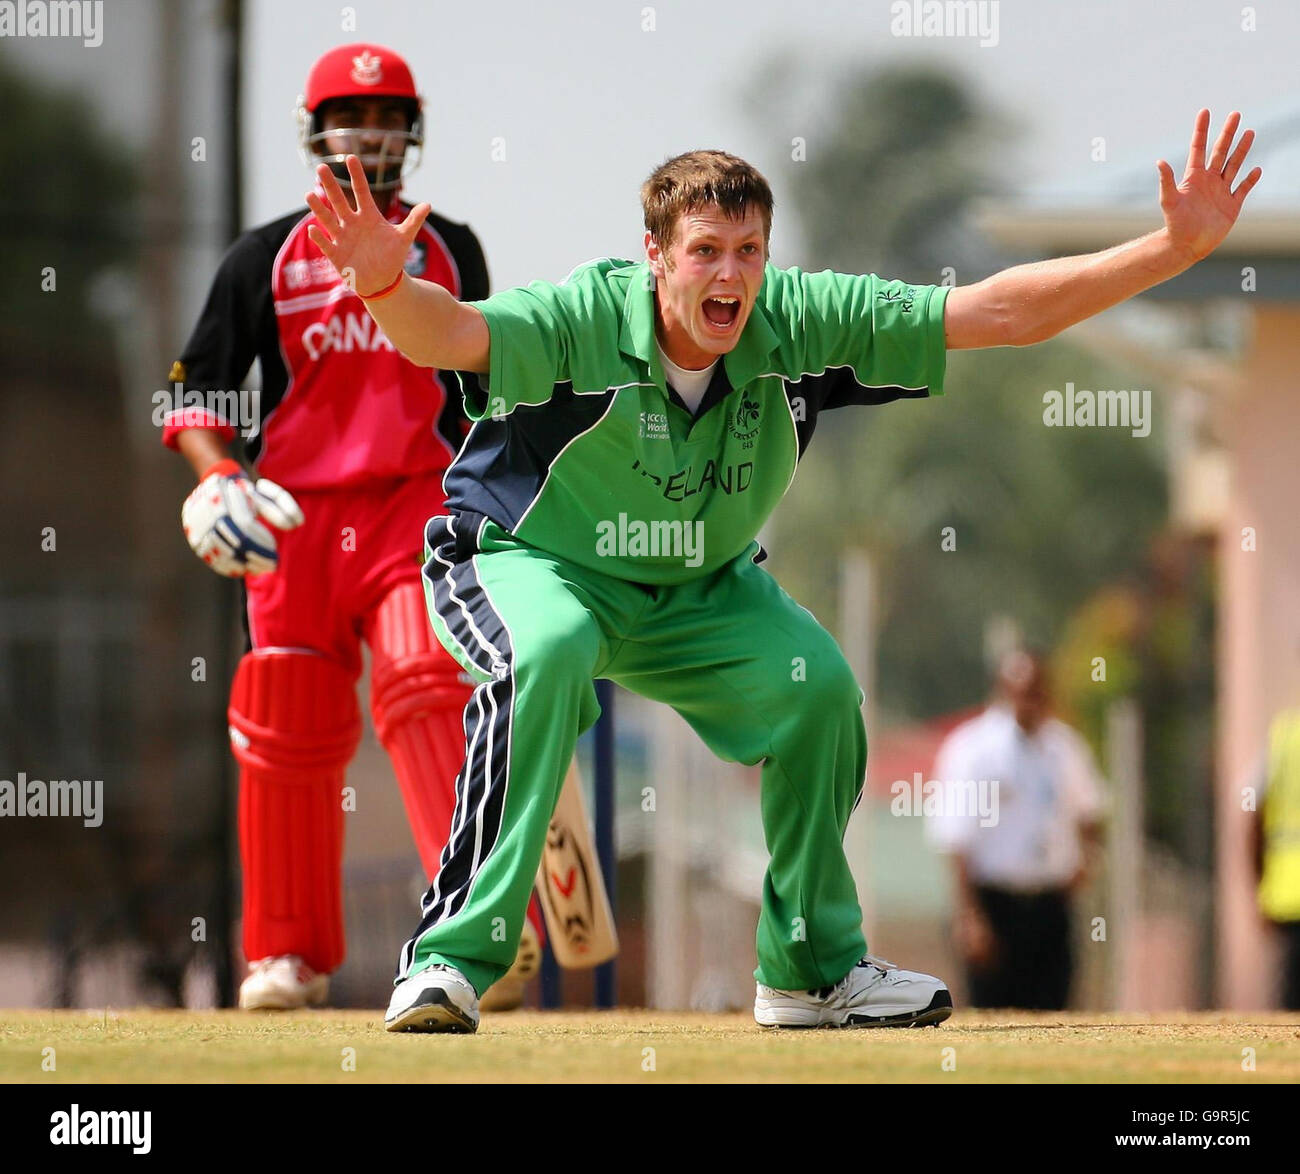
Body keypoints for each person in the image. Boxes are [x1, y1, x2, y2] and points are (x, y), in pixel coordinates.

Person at [301, 108, 1259, 1033]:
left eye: (749, 251)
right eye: (706, 251)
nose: (731, 274)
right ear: (654, 255)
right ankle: (447, 961)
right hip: (531, 561)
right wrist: (385, 287)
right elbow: (451, 333)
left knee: (820, 693)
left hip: (698, 587)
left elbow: (998, 312)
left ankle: (808, 973)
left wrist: (1168, 252)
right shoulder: (582, 316)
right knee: (545, 654)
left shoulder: (799, 323)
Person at [166, 42, 539, 1011]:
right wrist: (218, 479)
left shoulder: (450, 247)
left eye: (385, 118)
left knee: (428, 683)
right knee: (284, 716)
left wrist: (512, 511)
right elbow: (194, 393)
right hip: (293, 519)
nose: (368, 134)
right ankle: (284, 955)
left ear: (411, 132)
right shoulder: (262, 256)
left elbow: (489, 385)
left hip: (416, 503)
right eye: (349, 117)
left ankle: (480, 929)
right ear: (314, 130)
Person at [927, 651, 1106, 1009]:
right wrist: (970, 916)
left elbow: (1091, 809)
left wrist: (1087, 862)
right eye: (1021, 691)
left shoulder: (1064, 747)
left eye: (1037, 691)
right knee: (994, 1013)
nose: (1029, 701)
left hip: (1050, 904)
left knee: (1055, 1013)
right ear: (1003, 691)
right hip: (995, 905)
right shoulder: (973, 749)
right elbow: (956, 839)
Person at [1252, 706, 1300, 1009]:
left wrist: (1258, 886)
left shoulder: (1286, 738)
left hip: (1289, 892)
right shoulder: (1285, 738)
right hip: (1291, 894)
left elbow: (1251, 811)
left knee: (1293, 992)